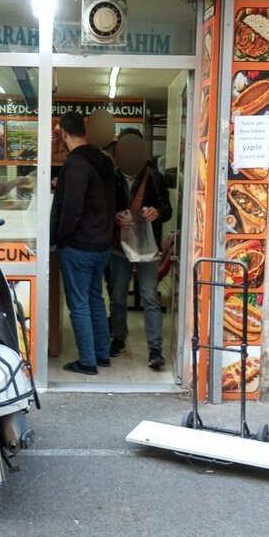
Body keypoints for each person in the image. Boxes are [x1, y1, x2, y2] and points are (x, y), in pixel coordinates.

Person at [50, 110, 116, 376]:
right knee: (95, 300)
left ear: (64, 133)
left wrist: (60, 240)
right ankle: (102, 354)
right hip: (101, 244)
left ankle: (87, 361)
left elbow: (72, 209)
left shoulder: (76, 163)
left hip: (79, 246)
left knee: (78, 303)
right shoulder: (103, 160)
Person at [110, 128, 172, 370]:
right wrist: (115, 217)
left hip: (148, 249)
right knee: (117, 297)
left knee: (149, 297)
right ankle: (118, 338)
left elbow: (167, 210)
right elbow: (106, 209)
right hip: (119, 247)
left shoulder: (155, 178)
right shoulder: (112, 178)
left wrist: (156, 213)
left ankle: (155, 349)